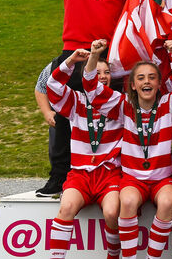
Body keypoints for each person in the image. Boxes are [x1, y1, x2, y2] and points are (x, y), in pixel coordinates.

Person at [31, 0, 132, 196]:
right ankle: (59, 176)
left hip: (109, 60)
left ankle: (116, 174)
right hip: (74, 55)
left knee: (113, 117)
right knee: (63, 117)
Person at [84, 40, 172, 259]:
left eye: (152, 78)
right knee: (127, 201)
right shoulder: (123, 106)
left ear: (159, 84)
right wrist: (94, 57)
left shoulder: (168, 104)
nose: (147, 82)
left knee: (166, 202)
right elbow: (91, 89)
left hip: (163, 178)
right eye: (141, 78)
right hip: (133, 178)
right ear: (132, 85)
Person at [45, 47, 124, 259]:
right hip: (80, 174)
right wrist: (71, 60)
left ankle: (113, 254)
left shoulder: (118, 102)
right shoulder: (76, 100)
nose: (103, 77)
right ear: (87, 76)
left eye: (106, 72)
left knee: (111, 213)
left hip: (109, 174)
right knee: (66, 207)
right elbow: (52, 86)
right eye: (97, 73)